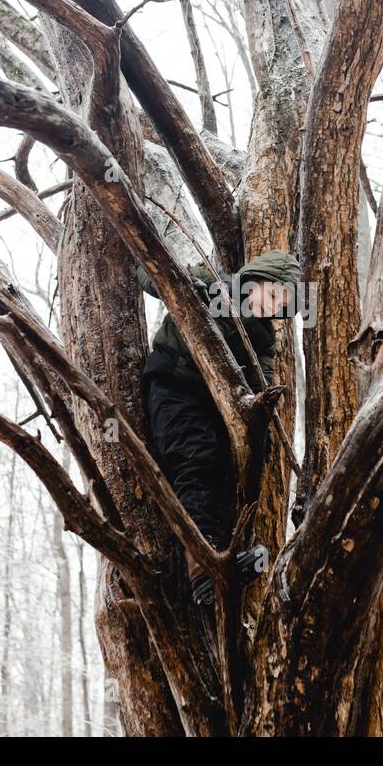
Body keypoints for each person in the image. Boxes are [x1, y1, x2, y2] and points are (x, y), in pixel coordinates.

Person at [135, 250, 301, 606]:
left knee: (226, 469)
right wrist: (183, 288)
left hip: (214, 409)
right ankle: (203, 564)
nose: (271, 307)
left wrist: (262, 429)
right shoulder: (214, 286)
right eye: (271, 295)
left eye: (280, 306)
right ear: (254, 279)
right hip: (174, 386)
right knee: (197, 461)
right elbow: (150, 270)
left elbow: (262, 384)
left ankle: (223, 555)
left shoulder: (263, 342)